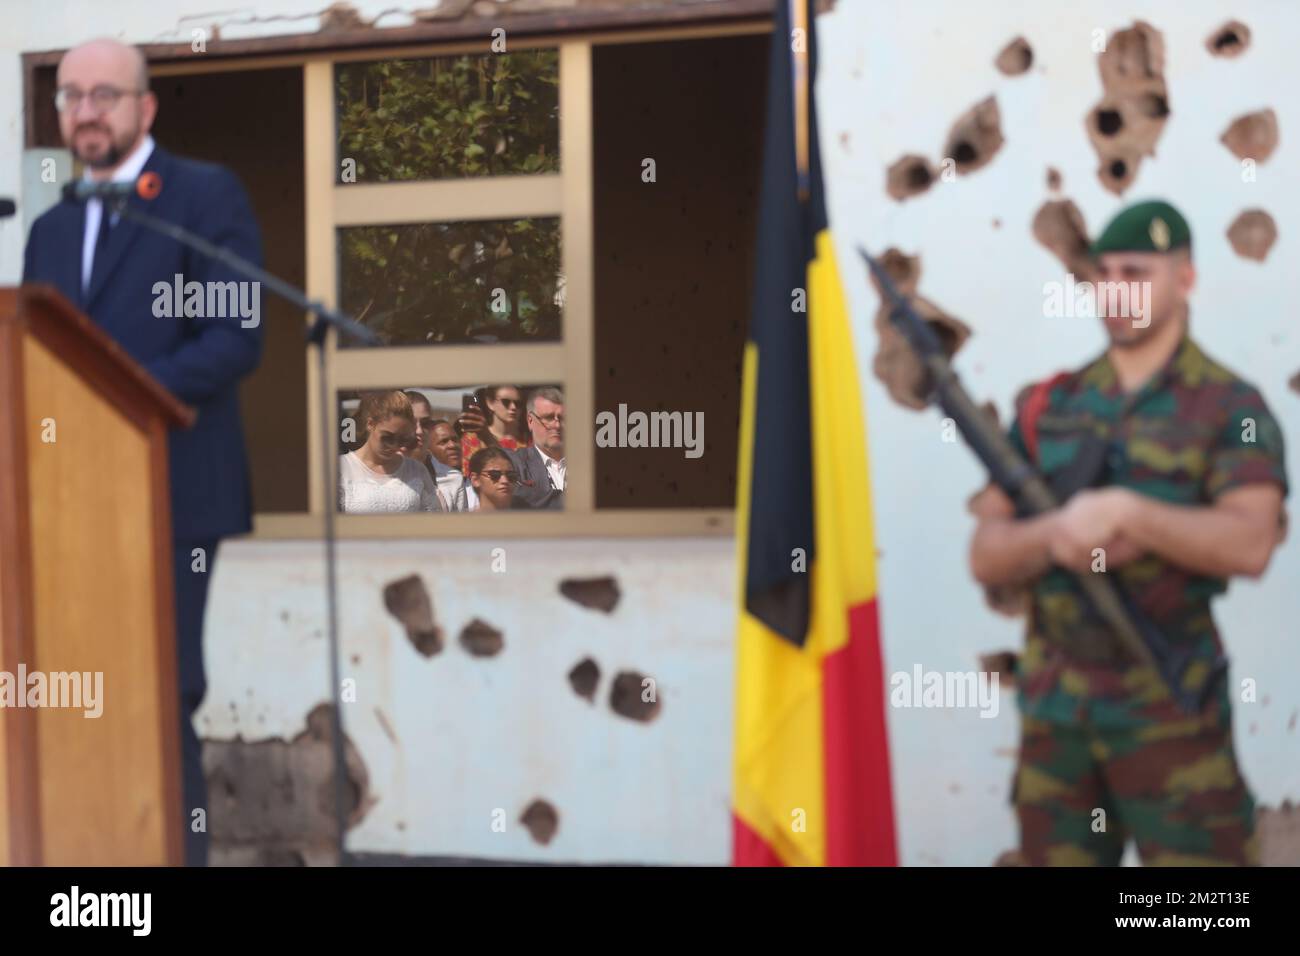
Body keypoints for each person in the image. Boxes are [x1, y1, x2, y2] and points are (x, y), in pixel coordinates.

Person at [968, 200, 1288, 866]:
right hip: (1058, 717)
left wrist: (1130, 514)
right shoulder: (1047, 406)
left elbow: (1251, 541)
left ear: (1185, 279)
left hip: (1171, 710)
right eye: (1104, 274)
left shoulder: (1236, 409)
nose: (1115, 291)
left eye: (1136, 273)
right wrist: (1054, 534)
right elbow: (987, 554)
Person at [22, 38, 264, 867]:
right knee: (77, 703)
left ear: (145, 107)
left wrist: (117, 394)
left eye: (104, 95)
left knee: (161, 697)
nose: (86, 112)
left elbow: (235, 337)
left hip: (174, 499)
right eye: (71, 97)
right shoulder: (50, 231)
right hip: (69, 509)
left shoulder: (201, 196)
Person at [339, 391, 445, 514]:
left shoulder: (417, 470)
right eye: (387, 437)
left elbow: (434, 522)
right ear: (370, 424)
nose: (394, 445)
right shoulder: (341, 468)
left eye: (402, 439)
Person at [510, 386, 566, 510]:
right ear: (530, 421)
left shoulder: (588, 463)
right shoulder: (515, 462)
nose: (557, 425)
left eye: (562, 418)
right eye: (549, 418)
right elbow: (518, 498)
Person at [457, 384, 530, 475]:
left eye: (518, 403)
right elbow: (469, 477)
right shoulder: (471, 440)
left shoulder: (529, 440)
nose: (513, 407)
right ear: (490, 403)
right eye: (506, 402)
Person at [467, 446, 520, 511]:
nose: (505, 481)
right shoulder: (463, 520)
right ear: (475, 480)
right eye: (495, 475)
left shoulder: (529, 519)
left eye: (510, 475)